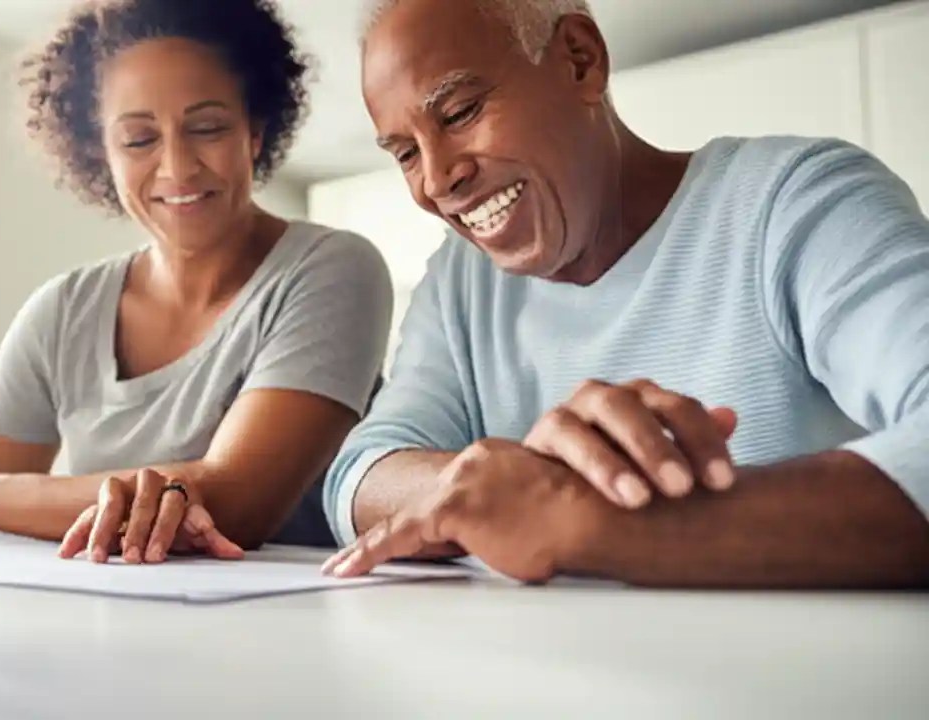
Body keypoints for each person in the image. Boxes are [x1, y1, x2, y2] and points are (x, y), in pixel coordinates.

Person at [322, 0, 929, 587]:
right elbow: (358, 477)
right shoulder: (461, 281)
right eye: (405, 153)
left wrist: (587, 520)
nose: (436, 178)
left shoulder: (798, 203)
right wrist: (499, 487)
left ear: (581, 61)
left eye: (459, 113)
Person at [0, 0, 394, 564]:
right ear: (101, 154)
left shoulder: (332, 269)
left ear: (254, 132)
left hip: (286, 627)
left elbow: (236, 502)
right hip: (107, 625)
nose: (178, 167)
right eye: (139, 140)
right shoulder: (61, 312)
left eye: (207, 127)